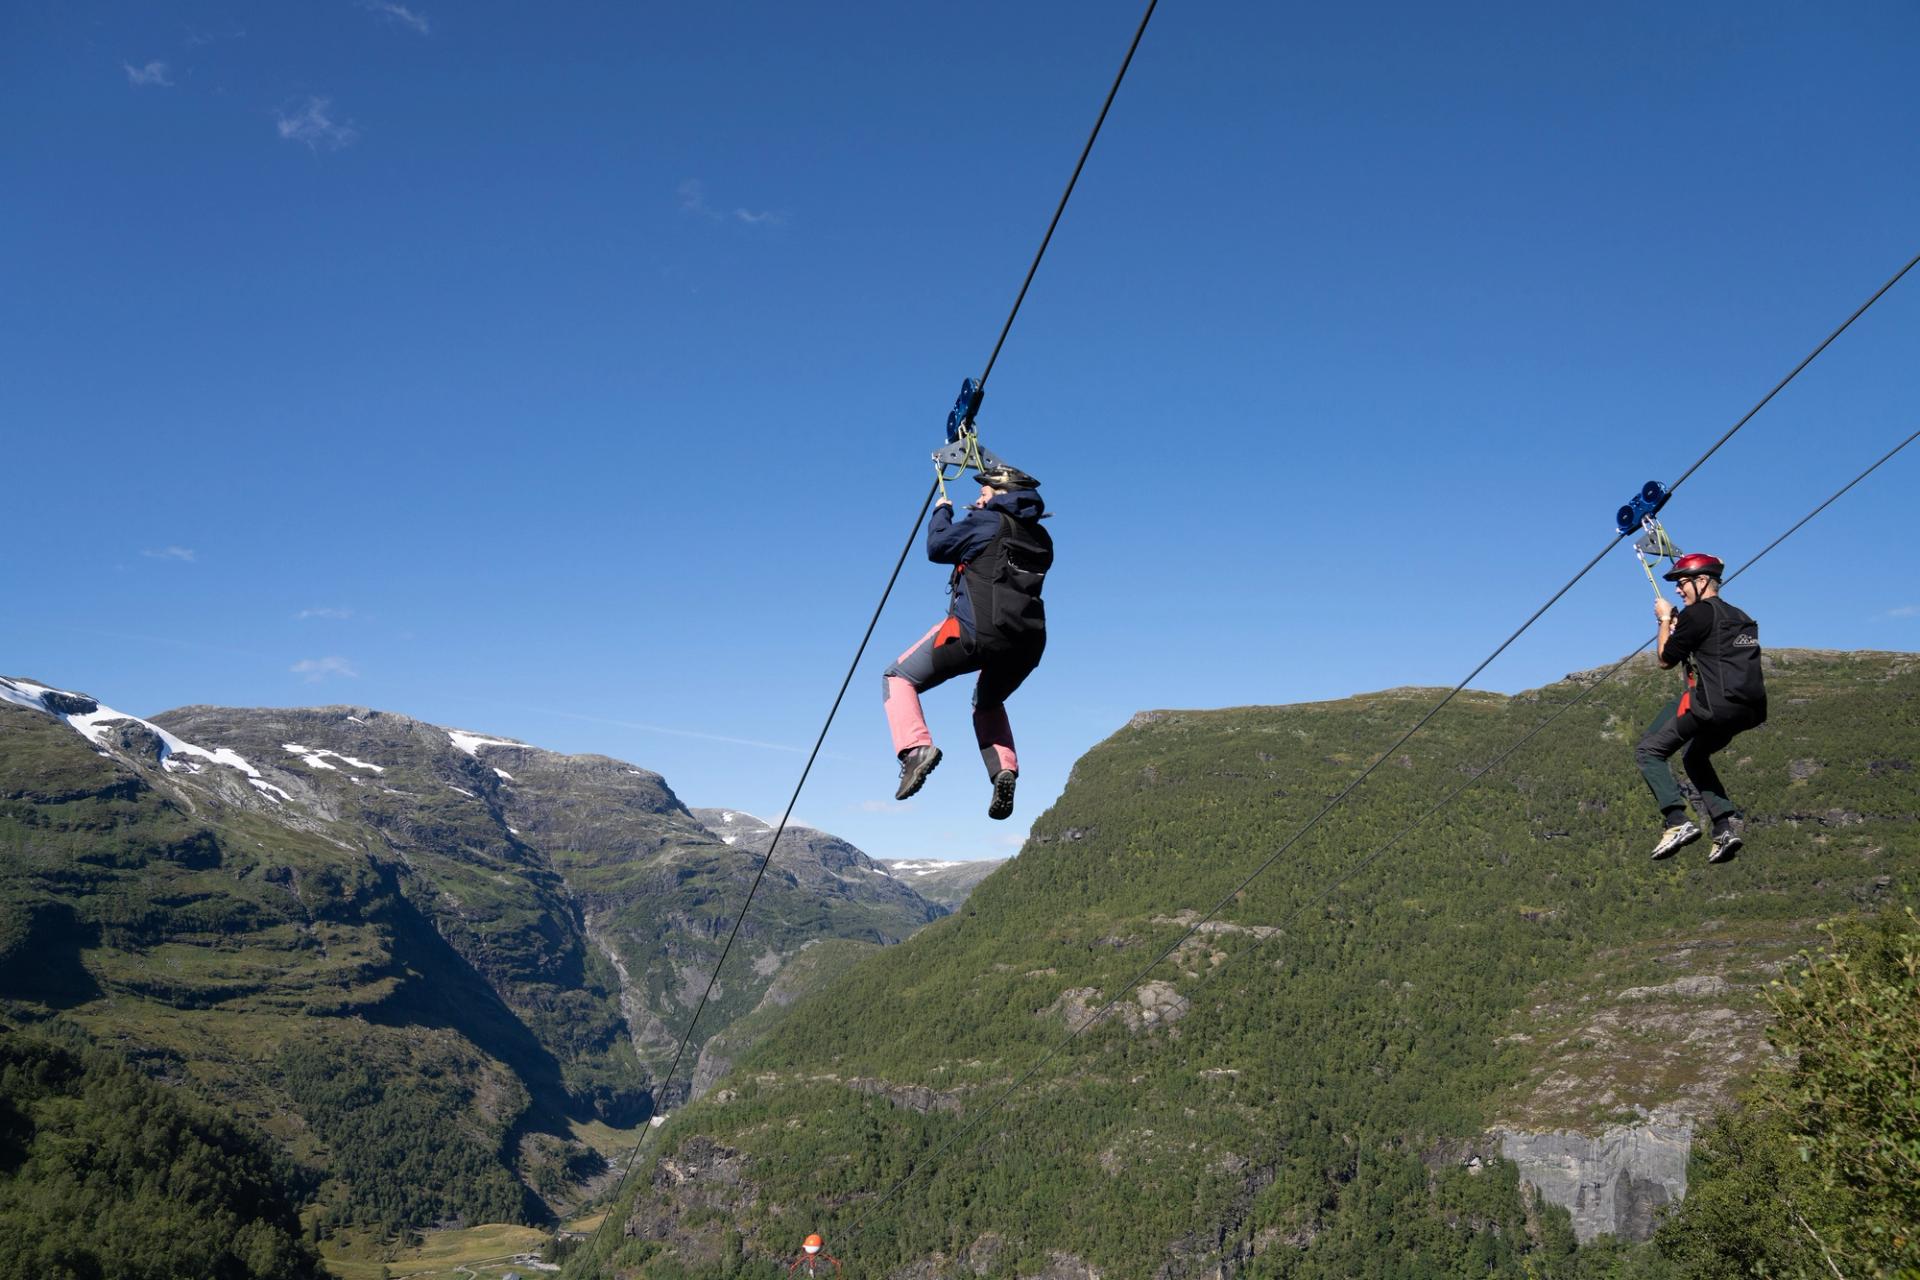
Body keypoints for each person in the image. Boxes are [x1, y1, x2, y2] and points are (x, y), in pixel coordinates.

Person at [883, 463, 1052, 820]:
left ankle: (915, 750)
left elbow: (937, 546)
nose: (977, 498)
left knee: (897, 678)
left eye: (984, 492)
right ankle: (1003, 770)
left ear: (1003, 493)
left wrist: (942, 510)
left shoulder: (988, 523)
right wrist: (985, 511)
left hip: (976, 632)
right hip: (1026, 644)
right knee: (987, 703)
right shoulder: (1041, 538)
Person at [1636, 552, 1767, 863]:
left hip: (1712, 705)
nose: (1678, 591)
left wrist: (1665, 620)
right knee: (1694, 756)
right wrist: (1683, 627)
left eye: (1683, 584)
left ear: (1703, 581)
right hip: (1747, 710)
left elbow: (1665, 659)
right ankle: (1724, 825)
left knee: (1648, 752)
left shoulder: (1699, 614)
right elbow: (1711, 649)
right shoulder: (1739, 616)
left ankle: (1676, 821)